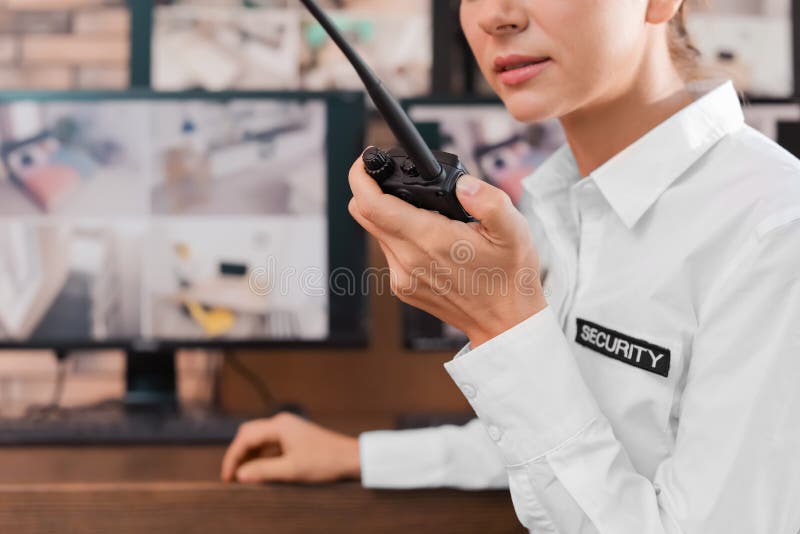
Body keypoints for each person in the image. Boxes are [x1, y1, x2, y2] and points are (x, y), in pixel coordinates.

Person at [221, 1, 800, 531]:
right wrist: (361, 456)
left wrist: (504, 326)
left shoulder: (774, 235)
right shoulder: (561, 197)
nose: (497, 15)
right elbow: (574, 440)